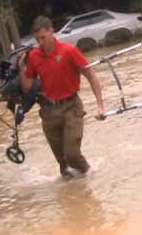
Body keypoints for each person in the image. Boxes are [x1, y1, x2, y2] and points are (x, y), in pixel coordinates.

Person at [21, 16, 106, 177]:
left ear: (51, 31)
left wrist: (100, 105)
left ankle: (91, 177)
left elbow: (91, 76)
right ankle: (71, 196)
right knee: (63, 164)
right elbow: (27, 87)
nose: (40, 43)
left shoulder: (69, 51)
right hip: (48, 112)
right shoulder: (34, 56)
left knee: (72, 154)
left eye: (43, 38)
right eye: (37, 39)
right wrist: (22, 67)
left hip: (71, 107)